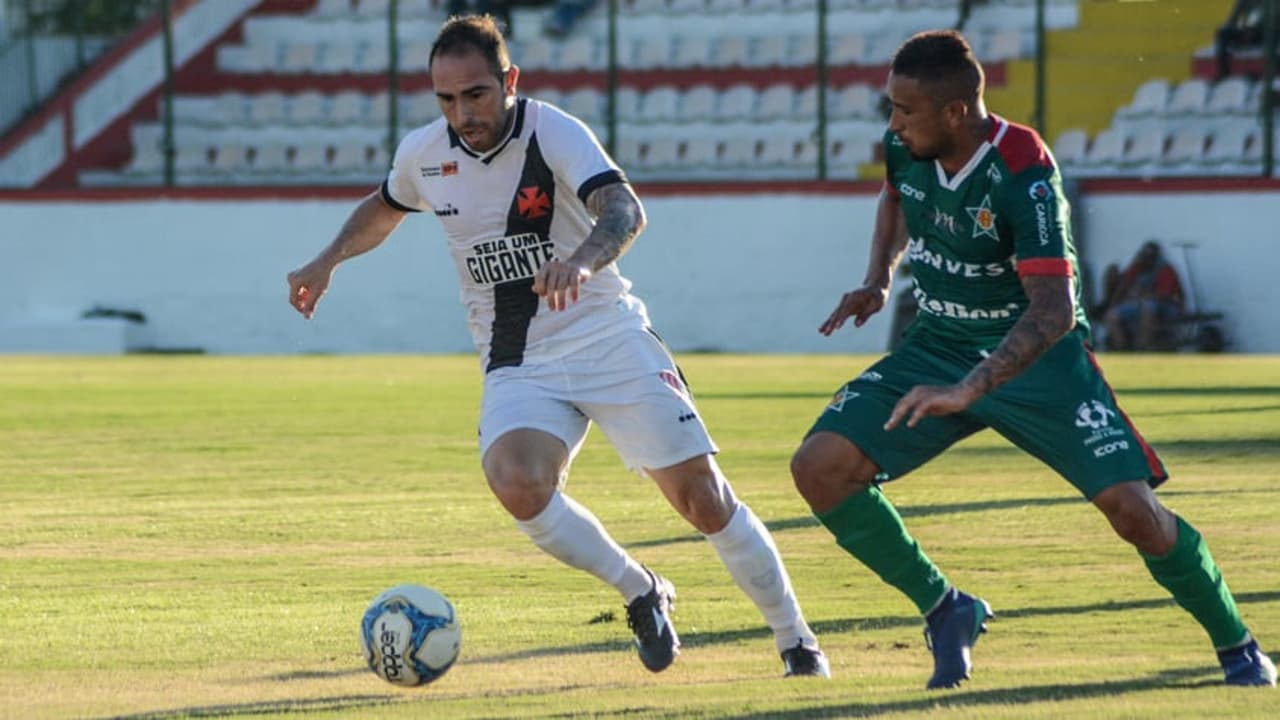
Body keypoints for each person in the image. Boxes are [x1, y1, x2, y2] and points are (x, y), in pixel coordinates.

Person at [287, 14, 828, 678]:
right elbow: (385, 206)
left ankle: (796, 642)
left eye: (477, 94)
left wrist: (582, 262)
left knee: (702, 499)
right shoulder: (425, 153)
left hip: (607, 337)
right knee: (515, 480)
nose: (462, 113)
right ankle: (640, 590)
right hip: (519, 358)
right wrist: (326, 261)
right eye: (447, 99)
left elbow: (625, 210)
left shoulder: (556, 132)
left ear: (509, 80)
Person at [789, 30, 1275, 690]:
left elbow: (1054, 313)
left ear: (955, 111)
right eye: (891, 109)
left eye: (905, 110)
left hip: (1037, 361)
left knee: (1134, 514)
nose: (893, 124)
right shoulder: (904, 146)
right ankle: (946, 608)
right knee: (820, 468)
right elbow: (897, 196)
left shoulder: (1024, 169)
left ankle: (1238, 646)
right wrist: (879, 277)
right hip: (936, 345)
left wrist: (971, 388)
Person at [1101, 240, 1185, 352]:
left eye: (1150, 257)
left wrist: (1142, 294)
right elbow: (1124, 286)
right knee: (1112, 315)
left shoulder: (1165, 269)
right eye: (1145, 256)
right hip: (1139, 303)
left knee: (1148, 307)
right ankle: (1121, 349)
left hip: (1166, 306)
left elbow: (1164, 295)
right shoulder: (1137, 266)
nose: (1147, 260)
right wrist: (1113, 304)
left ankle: (1142, 347)